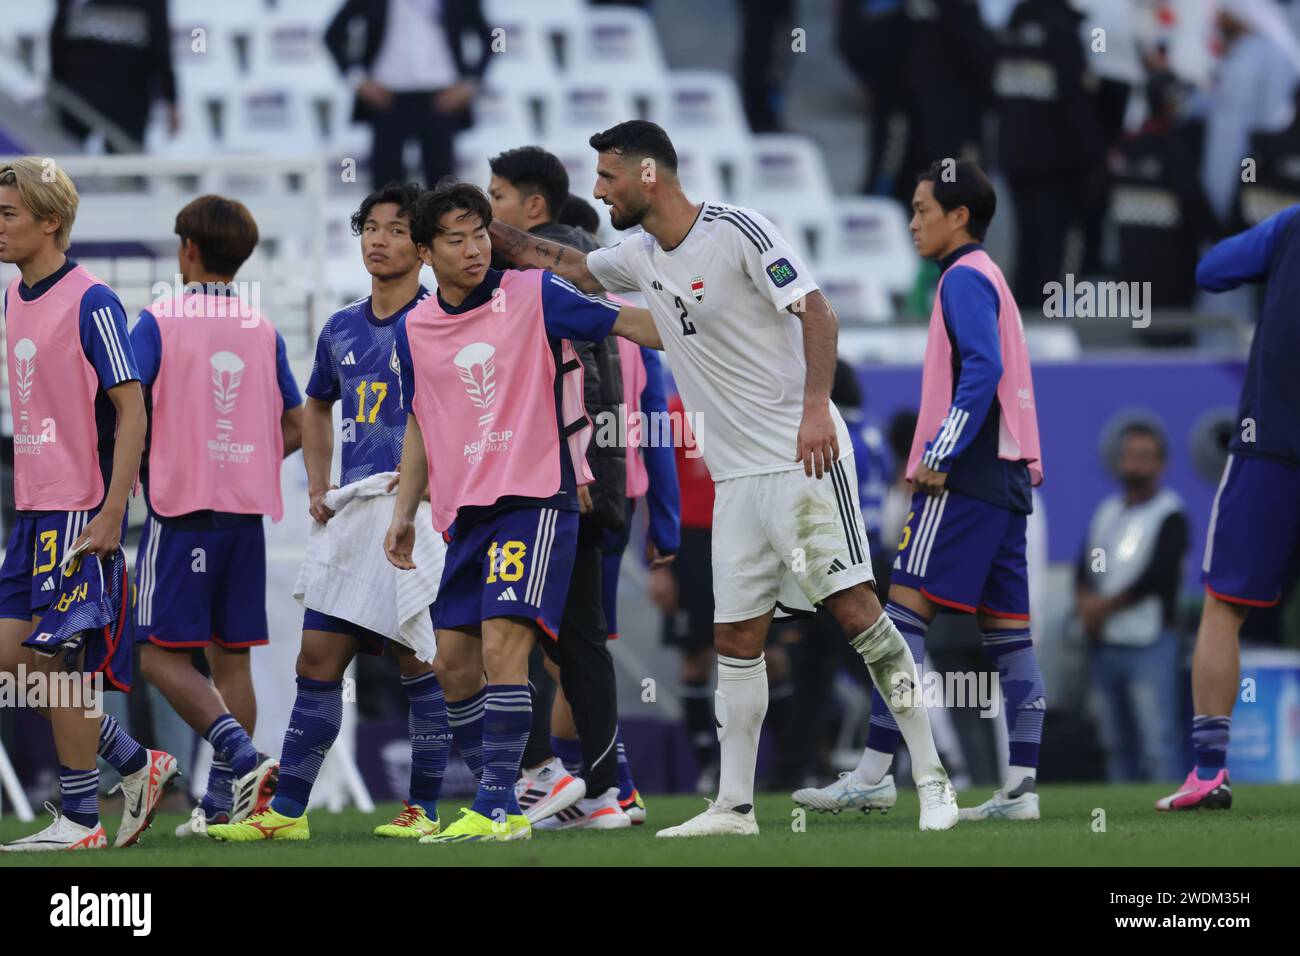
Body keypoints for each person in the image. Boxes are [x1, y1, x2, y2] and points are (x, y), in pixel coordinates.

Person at [491, 120, 958, 835]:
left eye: (607, 177)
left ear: (649, 176)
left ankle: (931, 779)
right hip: (737, 479)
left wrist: (813, 412)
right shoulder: (641, 255)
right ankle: (734, 807)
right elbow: (564, 265)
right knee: (737, 642)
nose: (597, 191)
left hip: (801, 458)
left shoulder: (738, 229)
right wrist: (476, 227)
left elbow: (817, 310)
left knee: (858, 612)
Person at [383, 180, 661, 844]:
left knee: (508, 645)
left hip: (537, 497)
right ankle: (518, 785)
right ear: (426, 251)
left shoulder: (533, 294)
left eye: (481, 233)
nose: (475, 249)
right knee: (450, 661)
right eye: (456, 239)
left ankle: (500, 806)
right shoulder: (414, 328)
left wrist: (704, 318)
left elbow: (627, 322)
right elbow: (424, 419)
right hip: (466, 513)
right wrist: (404, 509)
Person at [793, 160, 1047, 823]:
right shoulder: (988, 276)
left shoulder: (961, 278)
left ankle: (874, 773)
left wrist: (939, 451)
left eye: (921, 209)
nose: (911, 223)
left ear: (957, 216)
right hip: (1006, 475)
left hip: (963, 478)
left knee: (898, 624)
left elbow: (983, 370)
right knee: (1011, 637)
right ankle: (1021, 789)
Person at [206, 183, 454, 843]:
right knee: (316, 660)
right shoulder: (341, 326)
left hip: (417, 511)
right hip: (353, 513)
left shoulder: (438, 322)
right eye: (370, 227)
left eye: (397, 229)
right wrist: (317, 481)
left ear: (424, 248)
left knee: (416, 662)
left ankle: (425, 810)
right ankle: (286, 812)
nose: (379, 239)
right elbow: (316, 403)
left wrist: (439, 484)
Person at [0, 158, 171, 851]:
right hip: (32, 507)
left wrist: (110, 509)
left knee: (59, 667)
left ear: (50, 221)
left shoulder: (94, 299)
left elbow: (133, 411)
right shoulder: (14, 296)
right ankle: (136, 762)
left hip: (77, 506)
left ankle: (78, 821)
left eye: (8, 213)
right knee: (13, 662)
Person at [128, 196, 302, 833]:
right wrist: (250, 461)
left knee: (153, 655)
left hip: (182, 511)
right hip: (244, 515)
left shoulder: (159, 320)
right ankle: (223, 804)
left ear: (188, 250)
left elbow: (125, 408)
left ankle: (241, 756)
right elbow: (296, 421)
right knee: (232, 660)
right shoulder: (262, 328)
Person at [486, 149, 636, 829]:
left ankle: (542, 775)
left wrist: (579, 473)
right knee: (576, 640)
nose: (488, 215)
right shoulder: (585, 266)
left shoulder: (549, 274)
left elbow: (588, 379)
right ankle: (603, 792)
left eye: (496, 198)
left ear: (534, 210)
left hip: (557, 483)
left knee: (508, 633)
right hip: (587, 480)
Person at [1158, 204, 1300, 811]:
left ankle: (1209, 774)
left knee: (1225, 606)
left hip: (1271, 442)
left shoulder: (1293, 224)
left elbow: (1212, 270)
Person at [1077, 422, 1188, 783]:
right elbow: (1088, 563)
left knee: (1157, 741)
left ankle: (1170, 816)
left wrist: (1103, 606)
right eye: (1129, 457)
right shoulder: (1108, 511)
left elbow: (1159, 576)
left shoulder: (1170, 514)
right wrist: (1085, 601)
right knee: (1114, 742)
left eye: (1144, 458)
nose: (1134, 466)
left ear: (1160, 465)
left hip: (1150, 642)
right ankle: (1120, 821)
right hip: (1106, 642)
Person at [324, 0, 493, 188]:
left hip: (441, 100)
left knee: (443, 191)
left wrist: (469, 85)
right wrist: (359, 80)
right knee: (386, 189)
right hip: (387, 99)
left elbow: (492, 39)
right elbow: (332, 35)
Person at [49, 0, 177, 149]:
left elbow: (159, 43)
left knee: (120, 163)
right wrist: (171, 99)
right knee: (67, 156)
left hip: (116, 91)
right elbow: (160, 45)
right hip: (109, 93)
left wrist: (170, 97)